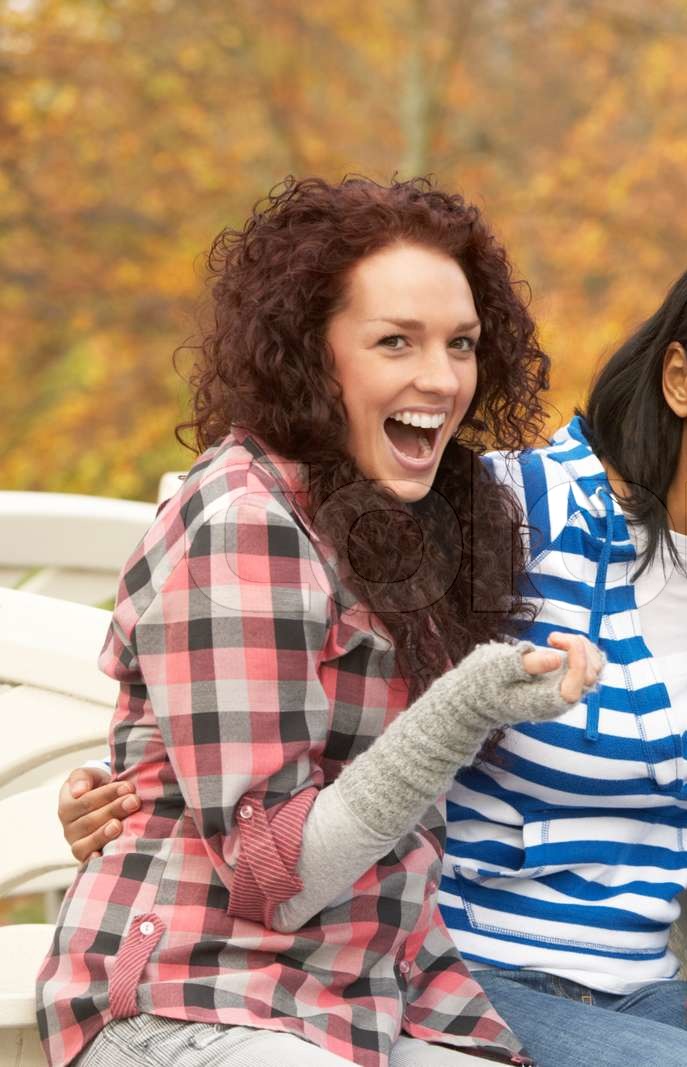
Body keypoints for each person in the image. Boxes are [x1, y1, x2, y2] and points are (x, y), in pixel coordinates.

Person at [61, 238, 687, 1067]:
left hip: (645, 979)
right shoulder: (518, 509)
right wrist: (130, 778)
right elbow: (240, 568)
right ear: (679, 381)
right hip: (462, 966)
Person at [37, 176, 601, 1067]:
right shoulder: (245, 522)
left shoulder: (405, 509)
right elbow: (275, 875)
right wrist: (467, 703)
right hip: (195, 996)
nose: (442, 377)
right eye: (395, 342)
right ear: (312, 354)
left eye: (462, 344)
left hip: (358, 995)